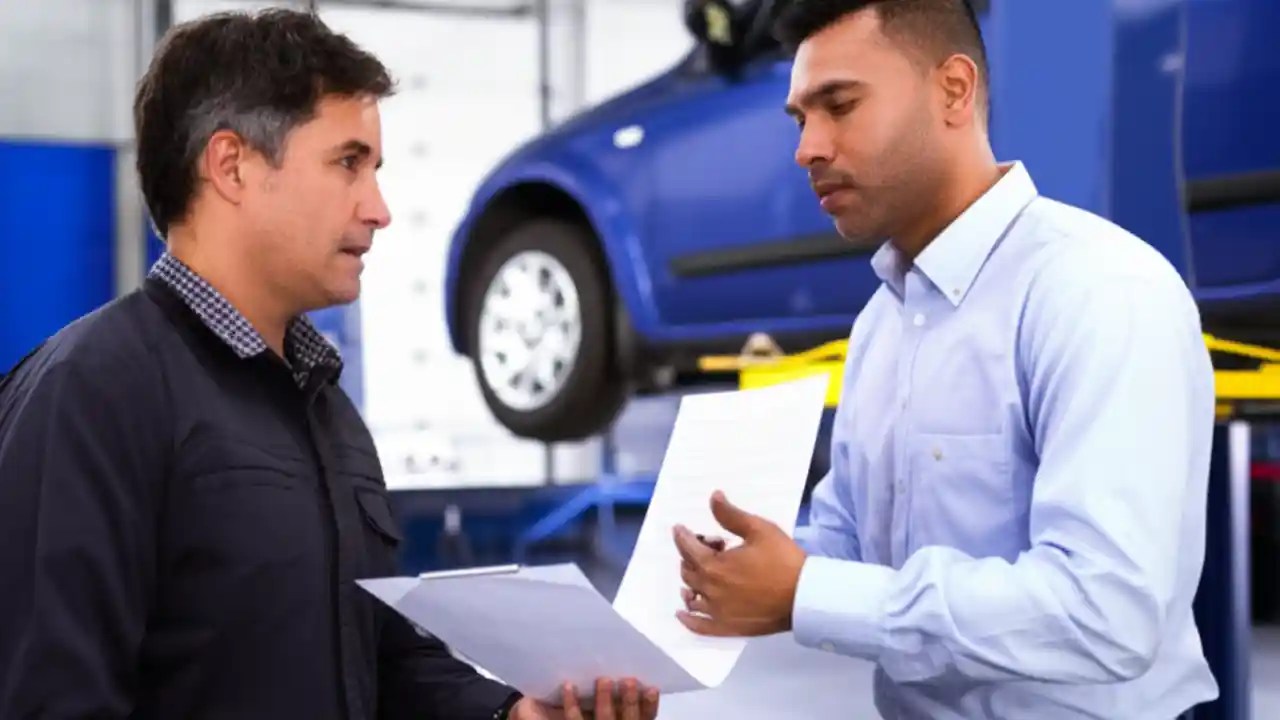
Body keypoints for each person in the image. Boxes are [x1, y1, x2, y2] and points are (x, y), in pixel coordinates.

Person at [0, 9, 658, 720]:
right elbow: (50, 695)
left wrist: (509, 715)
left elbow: (377, 656)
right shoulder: (91, 393)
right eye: (349, 163)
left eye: (375, 169)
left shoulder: (325, 408)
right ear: (233, 166)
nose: (379, 209)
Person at [671, 1, 1219, 718]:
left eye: (839, 105)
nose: (808, 147)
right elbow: (853, 541)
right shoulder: (882, 323)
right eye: (800, 119)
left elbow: (1105, 612)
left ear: (954, 89)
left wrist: (806, 591)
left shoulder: (1097, 292)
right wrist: (733, 565)